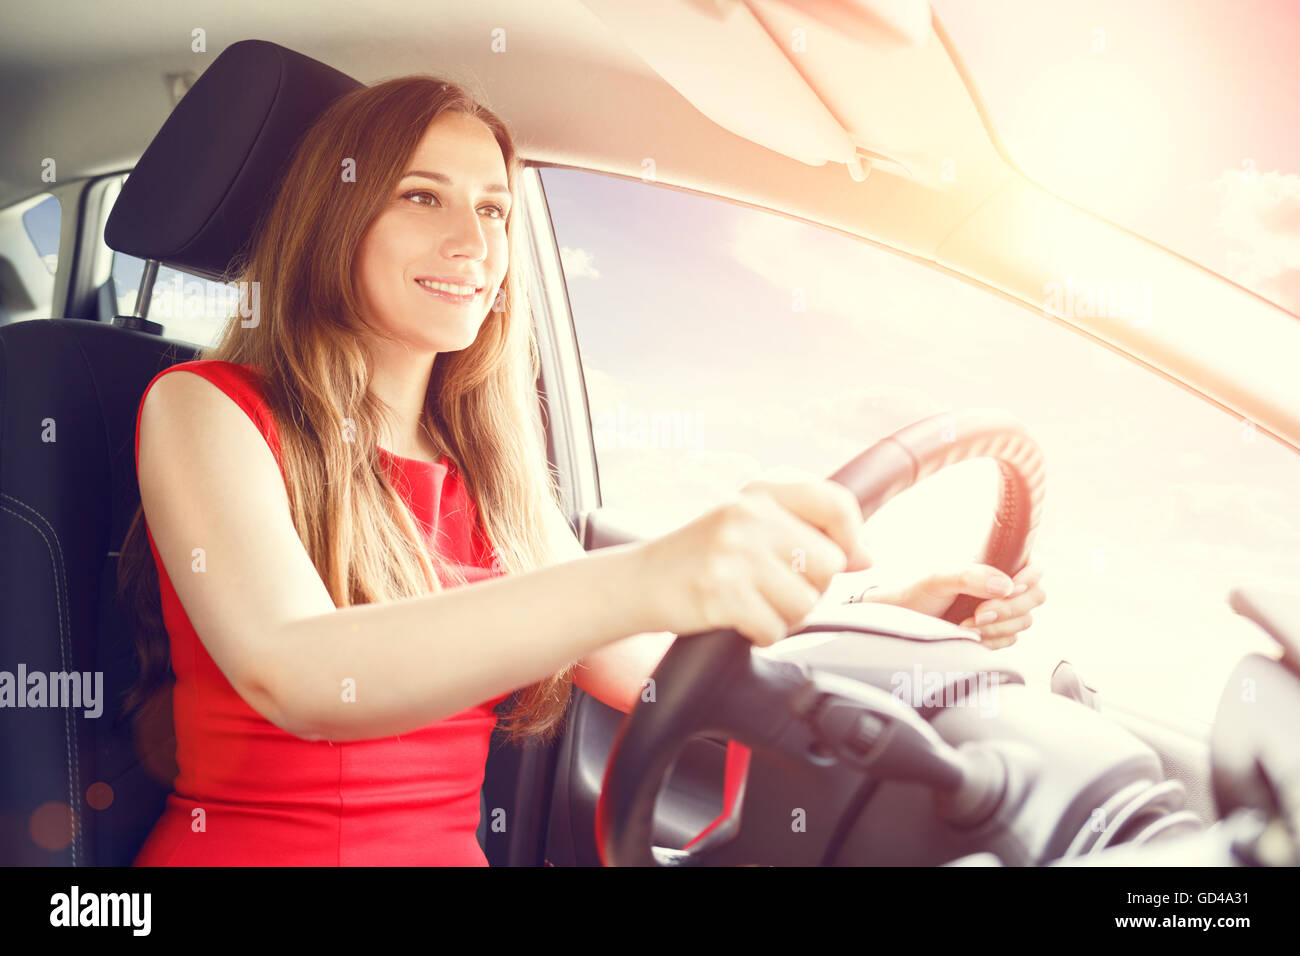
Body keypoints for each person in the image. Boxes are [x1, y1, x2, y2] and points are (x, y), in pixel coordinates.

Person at [116, 76, 1045, 866]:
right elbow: (299, 673)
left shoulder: (487, 479)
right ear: (337, 214)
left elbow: (665, 678)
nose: (473, 246)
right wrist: (645, 577)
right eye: (421, 196)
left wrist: (888, 623)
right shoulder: (206, 408)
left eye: (493, 210)